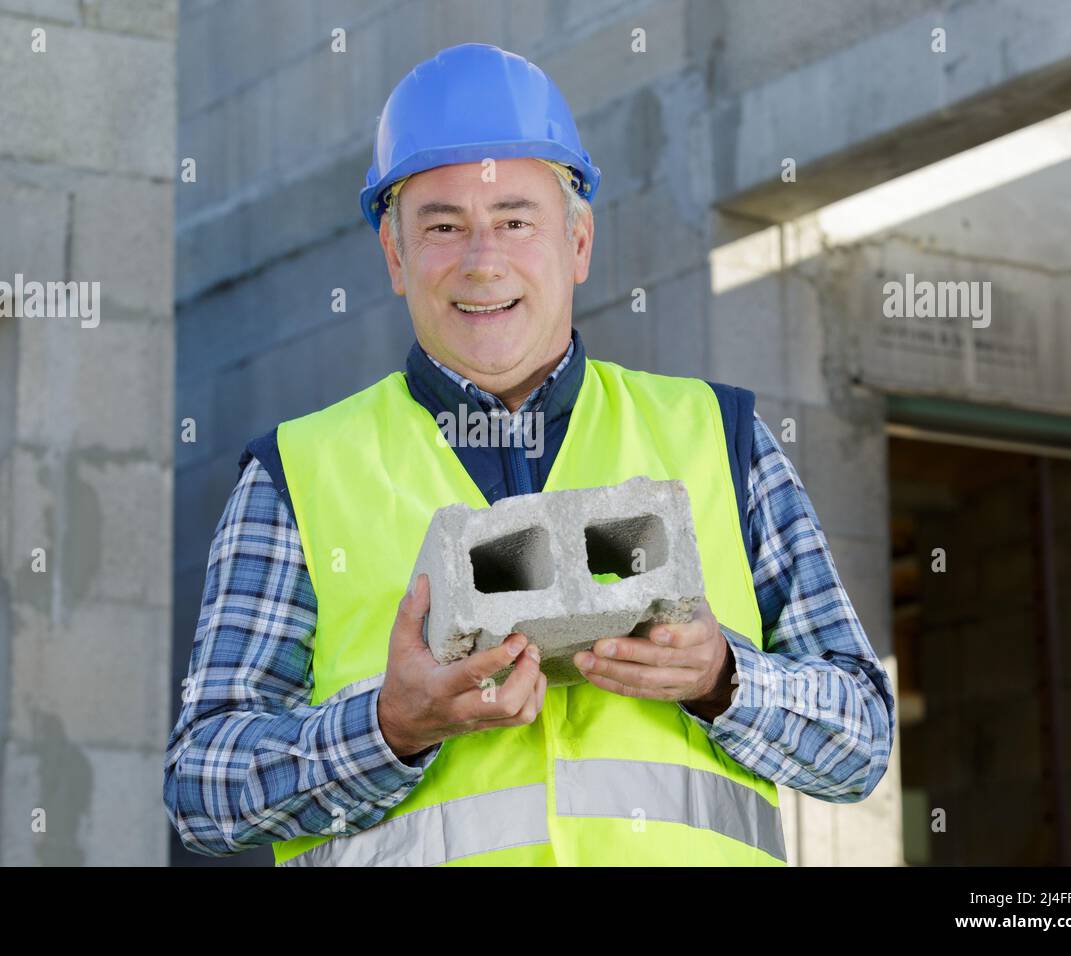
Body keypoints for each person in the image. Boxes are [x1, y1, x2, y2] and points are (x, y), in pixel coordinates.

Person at [163, 42, 895, 867]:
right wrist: (387, 728)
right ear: (395, 256)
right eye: (444, 227)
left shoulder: (718, 437)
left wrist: (723, 678)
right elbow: (203, 790)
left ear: (578, 243)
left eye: (516, 220)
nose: (483, 260)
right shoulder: (296, 475)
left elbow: (862, 742)